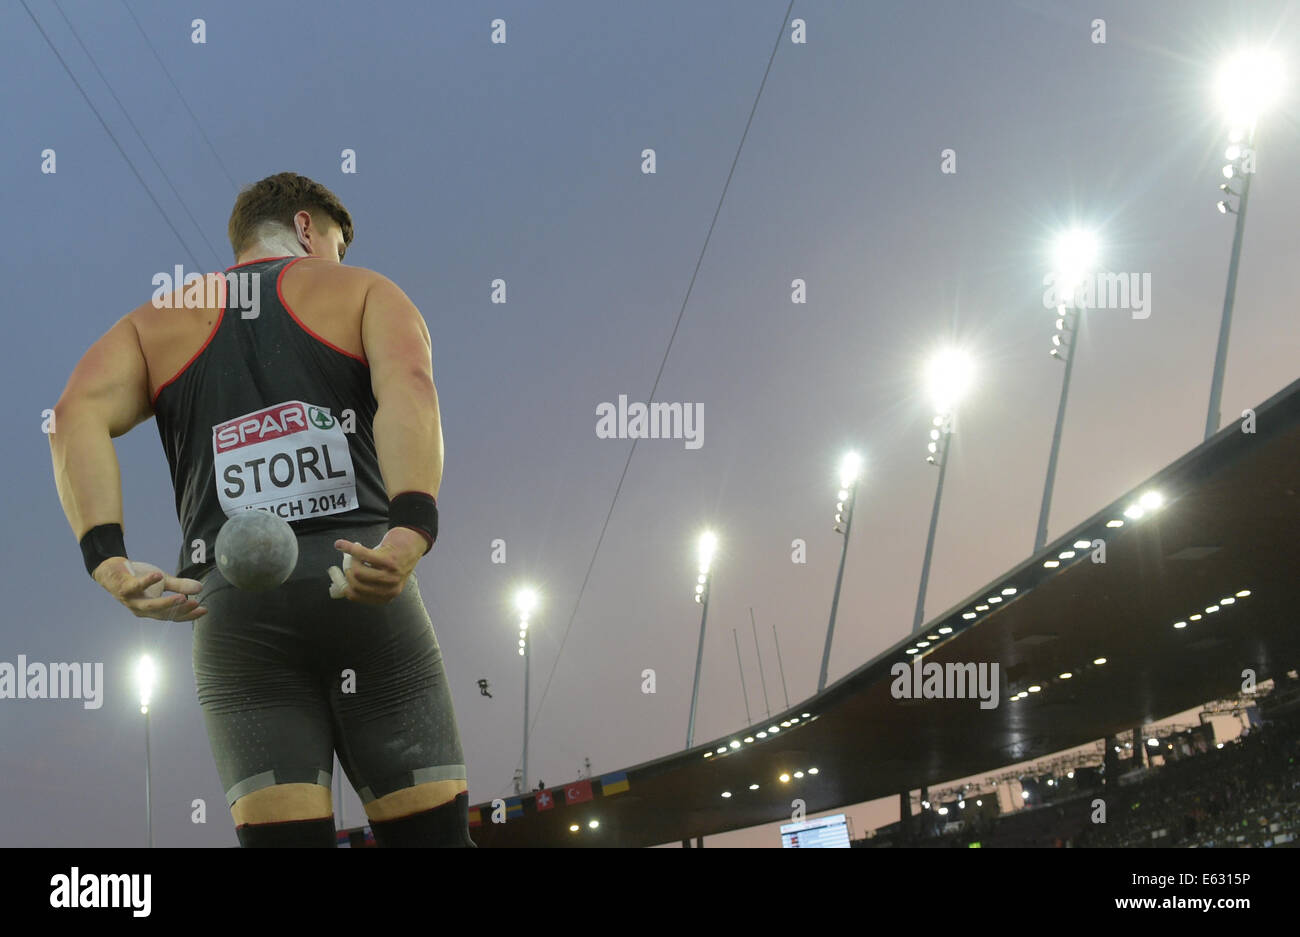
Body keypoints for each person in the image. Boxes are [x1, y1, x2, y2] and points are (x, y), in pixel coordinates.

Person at [48, 171, 473, 847]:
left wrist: (108, 560)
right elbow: (411, 387)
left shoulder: (154, 321)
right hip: (363, 582)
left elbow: (72, 415)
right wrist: (410, 529)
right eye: (336, 243)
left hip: (236, 610)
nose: (340, 259)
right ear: (306, 227)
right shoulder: (365, 290)